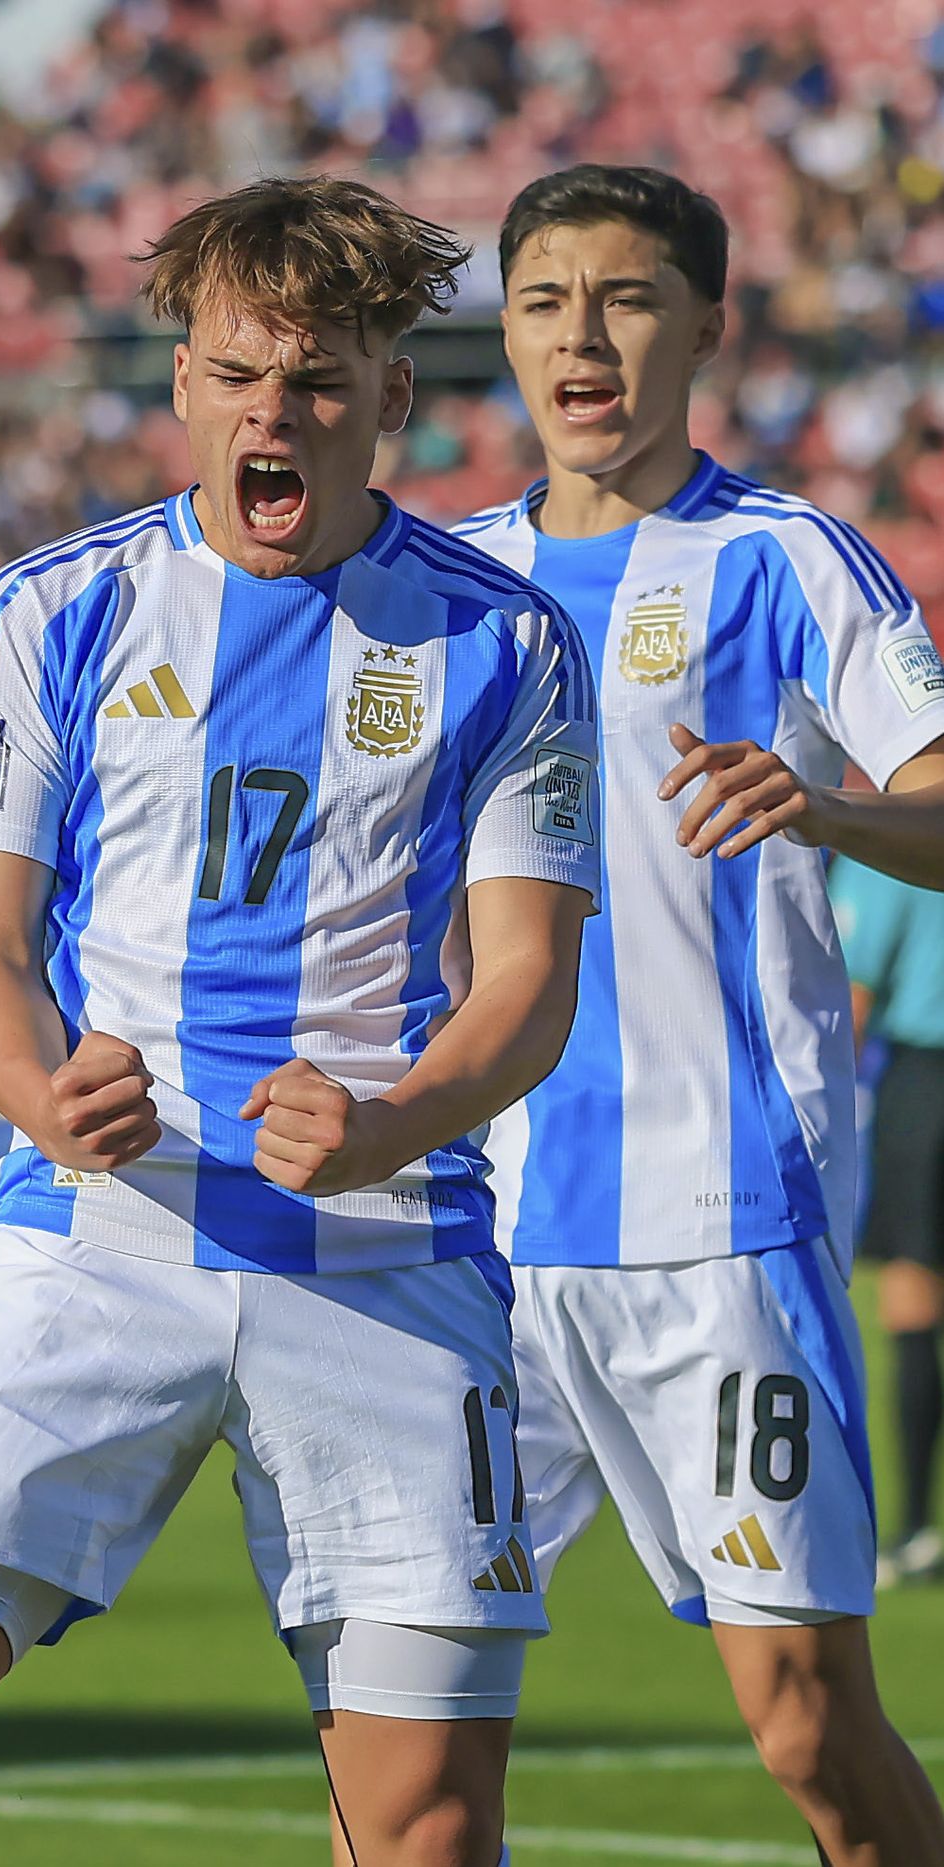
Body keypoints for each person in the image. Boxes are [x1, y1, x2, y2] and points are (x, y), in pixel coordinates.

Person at [0, 175, 601, 1867]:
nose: (272, 413)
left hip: (386, 1255)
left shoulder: (507, 638)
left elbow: (526, 984)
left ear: (392, 392)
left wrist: (390, 1121)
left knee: (429, 1831)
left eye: (316, 380)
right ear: (180, 386)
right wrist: (32, 1086)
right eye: (236, 375)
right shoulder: (48, 612)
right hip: (99, 1234)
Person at [454, 163, 944, 1866]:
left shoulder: (787, 559)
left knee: (808, 1726)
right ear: (505, 338)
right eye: (543, 300)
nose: (581, 334)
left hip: (721, 1214)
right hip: (480, 1238)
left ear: (707, 327)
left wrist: (824, 809)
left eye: (628, 295)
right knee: (412, 1720)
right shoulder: (447, 585)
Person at [831, 855, 944, 1587]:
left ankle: (913, 1527)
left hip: (927, 1085)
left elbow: (852, 995)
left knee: (912, 1292)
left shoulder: (898, 833)